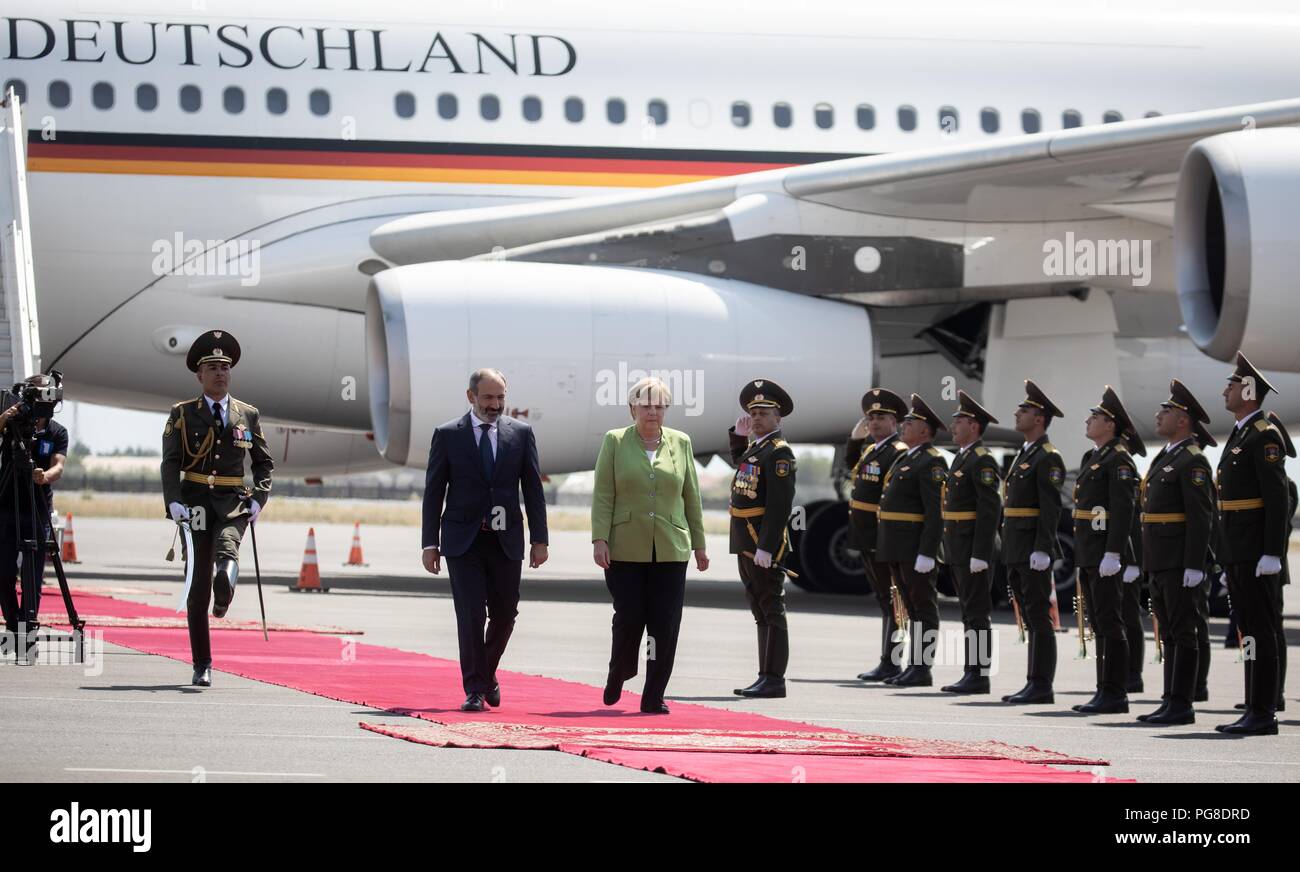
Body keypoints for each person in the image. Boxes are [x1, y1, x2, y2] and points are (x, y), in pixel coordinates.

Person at [422, 368, 549, 713]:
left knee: (506, 614)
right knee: (471, 615)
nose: (495, 405)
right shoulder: (448, 435)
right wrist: (429, 543)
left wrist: (540, 539)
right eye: (489, 398)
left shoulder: (520, 434)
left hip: (506, 539)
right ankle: (475, 689)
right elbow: (434, 492)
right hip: (463, 541)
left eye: (501, 398)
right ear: (471, 397)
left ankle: (487, 673)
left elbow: (533, 490)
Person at [161, 331, 274, 687]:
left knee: (227, 555)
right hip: (194, 503)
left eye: (224, 367)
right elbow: (170, 462)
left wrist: (258, 497)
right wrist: (173, 501)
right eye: (212, 367)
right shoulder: (182, 414)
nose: (220, 373)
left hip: (231, 504)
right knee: (197, 589)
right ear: (199, 375)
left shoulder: (247, 414)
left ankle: (224, 591)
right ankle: (202, 663)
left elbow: (263, 464)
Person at [591, 377, 708, 714]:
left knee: (665, 623)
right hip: (624, 545)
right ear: (632, 409)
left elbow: (691, 496)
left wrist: (699, 545)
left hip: (671, 547)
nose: (652, 411)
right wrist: (600, 538)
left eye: (659, 405)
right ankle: (620, 669)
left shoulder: (681, 442)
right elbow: (603, 494)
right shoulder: (614, 441)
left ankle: (654, 693)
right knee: (629, 616)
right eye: (646, 405)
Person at [1212, 353, 1288, 735]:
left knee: (1262, 630)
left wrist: (1272, 552)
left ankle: (1263, 711)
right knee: (1249, 632)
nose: (1225, 390)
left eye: (1231, 384)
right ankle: (1253, 705)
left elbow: (1278, 499)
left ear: (1247, 389)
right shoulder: (1242, 433)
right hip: (1238, 551)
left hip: (1256, 551)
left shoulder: (1264, 434)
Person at [1134, 379, 1214, 726]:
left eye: (1165, 411)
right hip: (1161, 559)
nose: (1158, 415)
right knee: (1168, 632)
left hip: (1179, 561)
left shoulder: (1192, 461)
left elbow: (1201, 517)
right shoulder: (1167, 457)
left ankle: (1182, 703)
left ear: (1183, 419)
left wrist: (1194, 564)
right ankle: (1170, 699)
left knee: (1183, 632)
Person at [1069, 386, 1139, 714]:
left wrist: (1114, 552)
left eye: (1094, 416)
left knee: (1110, 623)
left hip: (1103, 554)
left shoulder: (1119, 458)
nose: (1087, 420)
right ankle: (1104, 689)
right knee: (1099, 623)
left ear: (1110, 424)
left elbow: (1123, 509)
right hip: (1089, 551)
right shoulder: (1098, 457)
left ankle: (1115, 692)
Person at [726, 379, 797, 699]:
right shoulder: (758, 449)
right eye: (753, 413)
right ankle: (764, 675)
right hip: (746, 539)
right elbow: (743, 471)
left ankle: (774, 678)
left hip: (761, 541)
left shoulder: (779, 453)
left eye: (763, 413)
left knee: (771, 608)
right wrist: (738, 440)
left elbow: (780, 506)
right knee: (759, 608)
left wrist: (767, 546)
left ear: (778, 418)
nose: (756, 418)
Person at [999, 380, 1066, 705]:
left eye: (1024, 410)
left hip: (1031, 548)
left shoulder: (1047, 457)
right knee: (1029, 616)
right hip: (1016, 546)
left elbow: (1050, 508)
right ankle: (1033, 682)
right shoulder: (1026, 454)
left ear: (1039, 418)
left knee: (1039, 617)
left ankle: (1041, 685)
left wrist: (1043, 547)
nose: (1017, 413)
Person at [875, 393, 947, 688]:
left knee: (924, 609)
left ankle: (922, 668)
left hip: (915, 547)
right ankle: (913, 667)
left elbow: (935, 511)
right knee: (911, 609)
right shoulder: (907, 457)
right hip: (897, 546)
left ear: (925, 431)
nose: (904, 426)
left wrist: (928, 551)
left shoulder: (932, 461)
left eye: (910, 422)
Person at [843, 388, 910, 682]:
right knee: (885, 600)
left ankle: (892, 662)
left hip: (884, 535)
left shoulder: (898, 453)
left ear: (895, 422)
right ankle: (888, 661)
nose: (874, 422)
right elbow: (850, 463)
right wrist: (857, 435)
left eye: (881, 417)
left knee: (895, 601)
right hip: (867, 535)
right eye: (871, 417)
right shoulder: (873, 450)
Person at [0, 374, 69, 655]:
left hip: (37, 506)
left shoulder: (57, 432)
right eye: (36, 395)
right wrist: (6, 416)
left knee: (32, 573)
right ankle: (14, 623)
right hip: (6, 504)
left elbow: (59, 467)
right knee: (3, 571)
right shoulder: (12, 424)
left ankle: (28, 630)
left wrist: (44, 477)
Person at [939, 390, 1001, 695]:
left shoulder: (982, 461)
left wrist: (981, 553)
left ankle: (978, 675)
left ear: (974, 426)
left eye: (959, 421)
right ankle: (971, 672)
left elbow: (990, 510)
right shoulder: (962, 458)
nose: (953, 426)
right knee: (968, 612)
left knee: (977, 613)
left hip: (972, 549)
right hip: (959, 548)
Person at [1120, 428, 1148, 694]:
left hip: (1126, 555)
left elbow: (1132, 522)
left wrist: (1133, 561)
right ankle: (1119, 672)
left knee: (1129, 616)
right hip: (1111, 553)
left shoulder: (1126, 473)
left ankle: (1133, 674)